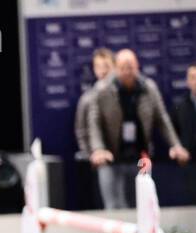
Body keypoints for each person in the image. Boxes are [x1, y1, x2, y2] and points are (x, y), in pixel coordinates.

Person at [87, 48, 190, 208]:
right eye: (123, 68)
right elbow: (94, 122)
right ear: (115, 68)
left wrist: (175, 145)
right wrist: (98, 149)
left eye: (131, 67)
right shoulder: (102, 90)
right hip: (111, 156)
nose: (127, 72)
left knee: (143, 203)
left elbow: (162, 119)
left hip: (140, 156)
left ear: (137, 66)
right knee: (114, 205)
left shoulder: (149, 89)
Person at [74, 48, 114, 159]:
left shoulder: (123, 95)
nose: (103, 71)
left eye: (106, 66)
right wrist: (90, 155)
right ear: (94, 69)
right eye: (99, 67)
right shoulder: (86, 99)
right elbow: (81, 131)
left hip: (121, 158)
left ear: (114, 67)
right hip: (97, 159)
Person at [173, 64, 196, 202]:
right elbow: (172, 131)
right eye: (192, 77)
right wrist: (179, 149)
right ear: (187, 81)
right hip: (190, 163)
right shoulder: (180, 107)